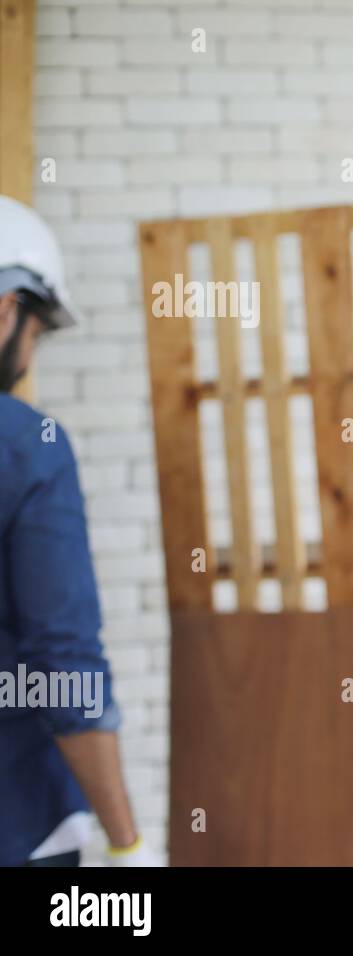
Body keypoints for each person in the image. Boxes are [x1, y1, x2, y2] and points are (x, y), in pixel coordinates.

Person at [0, 195, 157, 867]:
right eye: (35, 332)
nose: (29, 353)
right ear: (7, 308)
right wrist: (128, 843)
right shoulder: (26, 446)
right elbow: (65, 664)